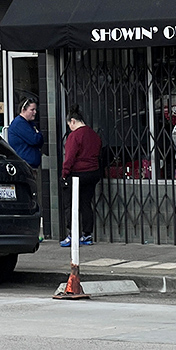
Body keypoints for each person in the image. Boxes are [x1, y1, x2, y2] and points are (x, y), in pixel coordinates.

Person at [59, 105, 102, 247]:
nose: (69, 128)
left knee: (70, 205)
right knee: (86, 204)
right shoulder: (94, 135)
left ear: (72, 121)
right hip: (93, 173)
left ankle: (72, 235)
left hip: (77, 174)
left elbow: (69, 157)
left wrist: (64, 174)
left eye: (69, 125)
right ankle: (87, 235)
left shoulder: (74, 136)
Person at [7, 97, 44, 169]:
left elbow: (40, 142)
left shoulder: (29, 123)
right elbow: (35, 140)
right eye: (32, 110)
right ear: (23, 110)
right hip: (25, 166)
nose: (35, 112)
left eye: (35, 109)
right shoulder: (19, 123)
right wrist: (38, 134)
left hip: (30, 165)